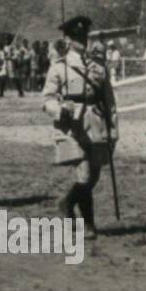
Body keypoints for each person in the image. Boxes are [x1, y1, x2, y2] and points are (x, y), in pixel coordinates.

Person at [42, 14, 118, 236]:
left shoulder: (98, 67)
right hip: (71, 126)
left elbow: (109, 100)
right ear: (68, 40)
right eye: (77, 37)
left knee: (93, 175)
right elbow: (46, 99)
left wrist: (114, 128)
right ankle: (89, 224)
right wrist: (59, 109)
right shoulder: (59, 67)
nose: (82, 41)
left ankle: (67, 202)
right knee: (84, 174)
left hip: (95, 124)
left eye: (84, 36)